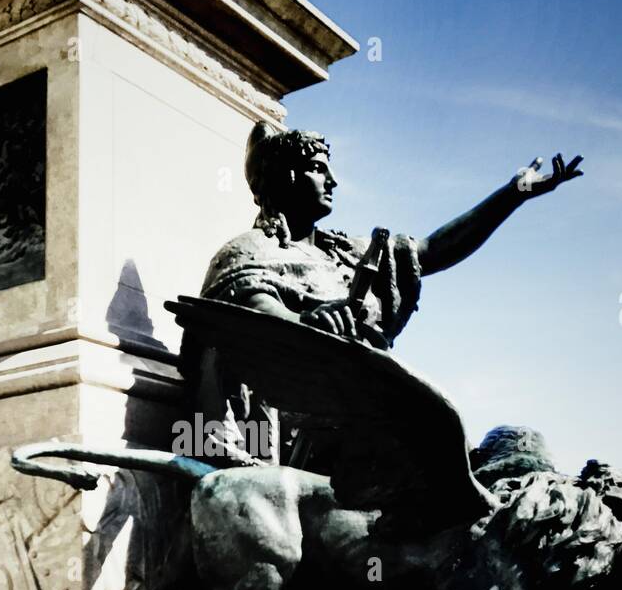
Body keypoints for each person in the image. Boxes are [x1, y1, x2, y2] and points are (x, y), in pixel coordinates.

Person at [188, 122, 583, 467]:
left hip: (361, 405)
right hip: (303, 422)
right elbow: (253, 313)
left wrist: (512, 194)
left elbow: (432, 250)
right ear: (288, 177)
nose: (333, 181)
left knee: (477, 441)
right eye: (318, 169)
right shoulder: (251, 250)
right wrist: (306, 323)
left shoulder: (345, 251)